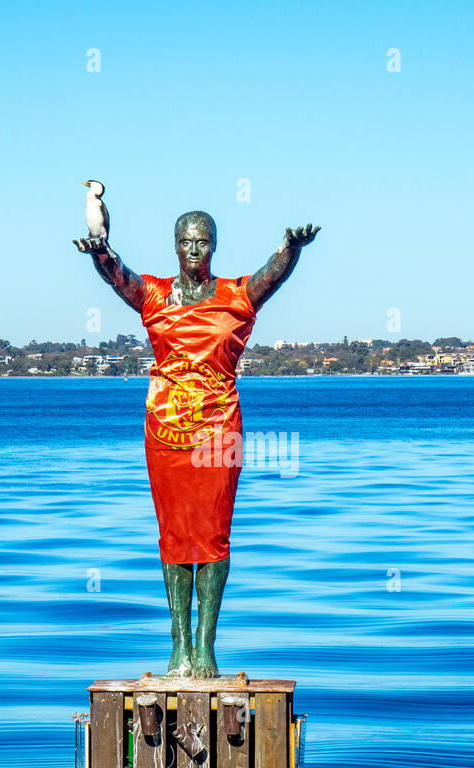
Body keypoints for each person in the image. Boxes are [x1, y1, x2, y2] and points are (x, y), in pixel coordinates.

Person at [74, 209, 318, 676]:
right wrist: (101, 249)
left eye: (202, 242)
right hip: (164, 431)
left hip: (219, 429)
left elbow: (271, 276)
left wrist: (291, 251)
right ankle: (178, 645)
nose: (193, 250)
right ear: (174, 245)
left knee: (212, 535)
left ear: (214, 246)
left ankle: (205, 646)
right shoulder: (155, 295)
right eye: (186, 242)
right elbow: (117, 277)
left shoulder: (235, 296)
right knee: (174, 537)